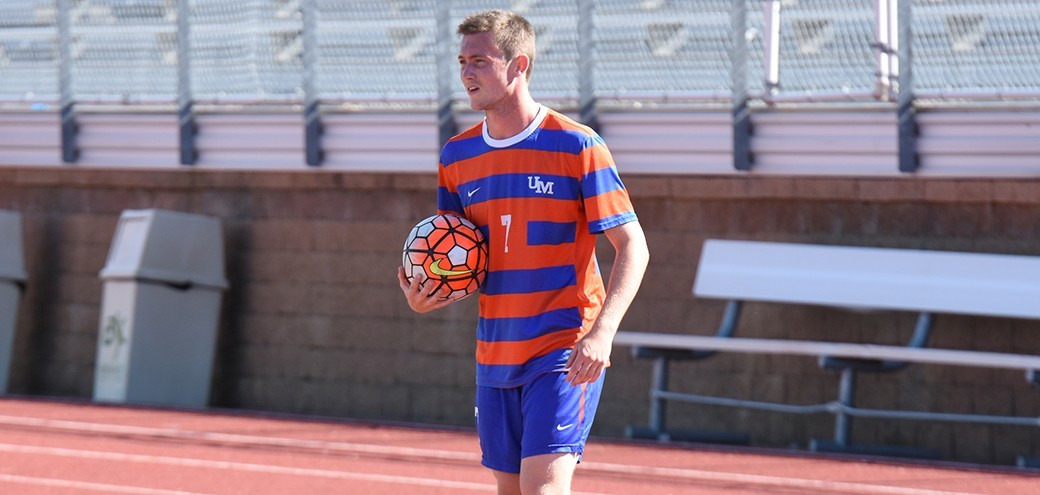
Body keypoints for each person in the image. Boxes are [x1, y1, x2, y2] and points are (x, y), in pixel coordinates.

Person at [397, 9, 649, 495]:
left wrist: (602, 334)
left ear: (519, 66)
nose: (466, 73)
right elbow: (452, 256)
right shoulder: (456, 156)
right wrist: (420, 294)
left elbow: (633, 246)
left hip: (563, 349)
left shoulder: (577, 145)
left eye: (480, 61)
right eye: (462, 61)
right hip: (494, 354)